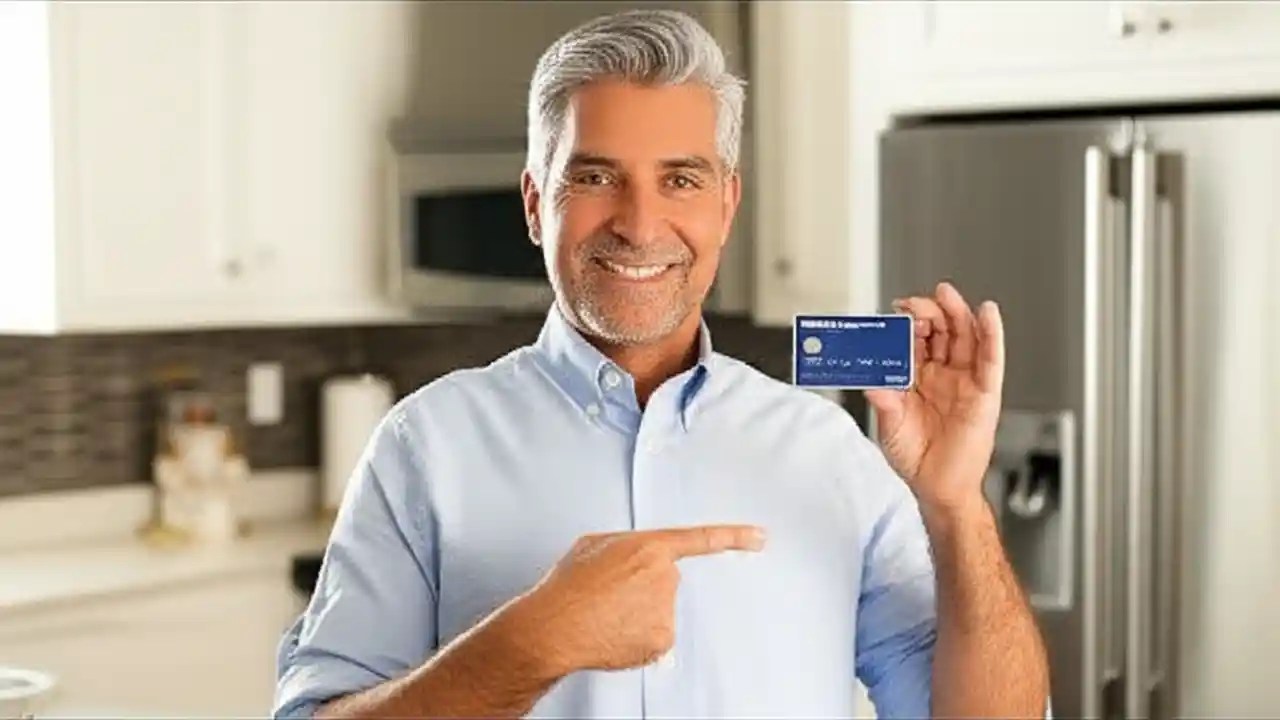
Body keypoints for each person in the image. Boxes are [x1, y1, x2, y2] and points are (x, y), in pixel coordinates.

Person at [274, 9, 1049, 719]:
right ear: (537, 202)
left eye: (680, 179)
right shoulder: (424, 448)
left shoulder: (830, 454)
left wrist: (956, 507)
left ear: (726, 203)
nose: (640, 225)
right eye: (595, 176)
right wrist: (527, 648)